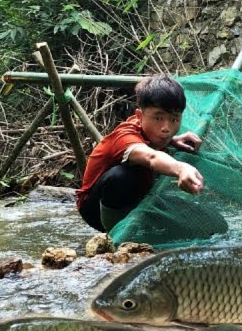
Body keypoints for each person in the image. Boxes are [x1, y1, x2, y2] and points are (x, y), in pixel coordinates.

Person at [76, 74, 206, 233]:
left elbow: (151, 141)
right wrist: (181, 169)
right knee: (120, 176)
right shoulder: (125, 137)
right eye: (158, 118)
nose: (166, 128)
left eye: (174, 119)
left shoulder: (154, 132)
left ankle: (138, 224)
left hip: (140, 195)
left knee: (211, 225)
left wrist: (172, 140)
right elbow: (151, 157)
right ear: (139, 116)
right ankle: (116, 236)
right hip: (96, 209)